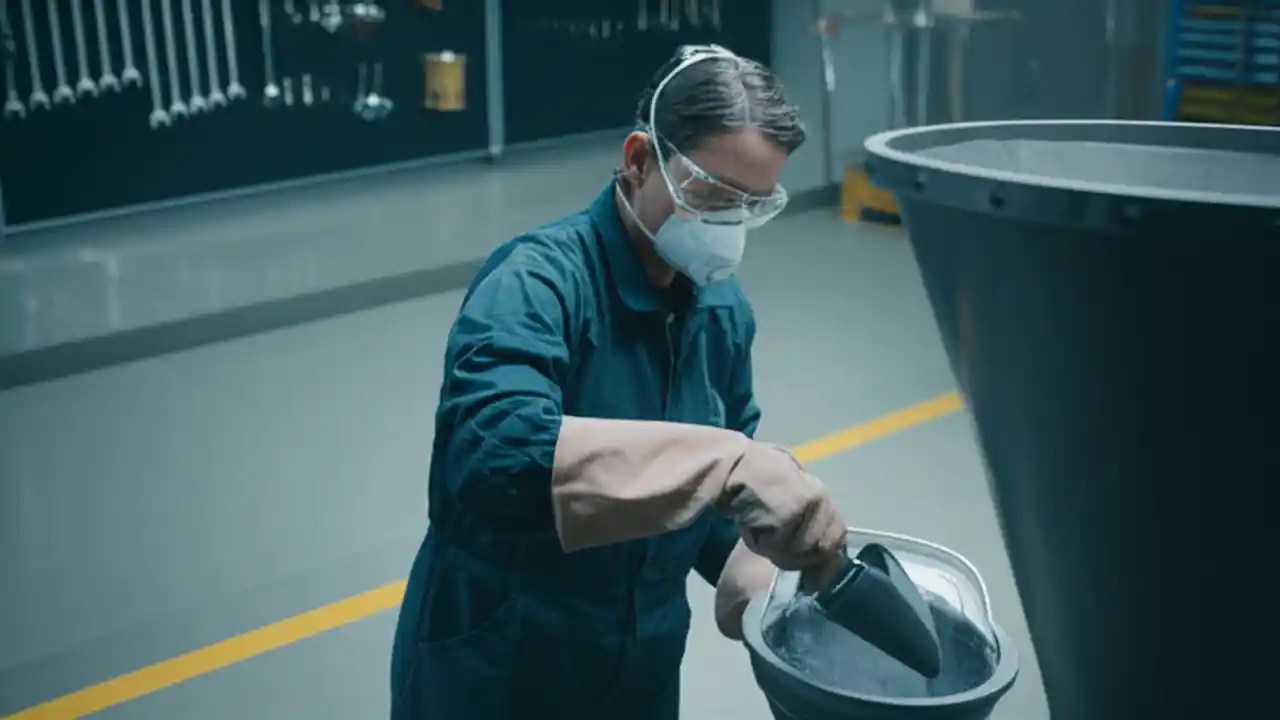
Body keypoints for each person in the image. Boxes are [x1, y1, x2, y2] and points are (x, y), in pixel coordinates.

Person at [390, 44, 848, 720]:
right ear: (639, 161)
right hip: (505, 661)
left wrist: (759, 568)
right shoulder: (537, 283)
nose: (729, 227)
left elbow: (715, 500)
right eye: (713, 196)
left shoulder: (722, 313)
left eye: (751, 206)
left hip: (639, 665)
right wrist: (720, 465)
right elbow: (494, 458)